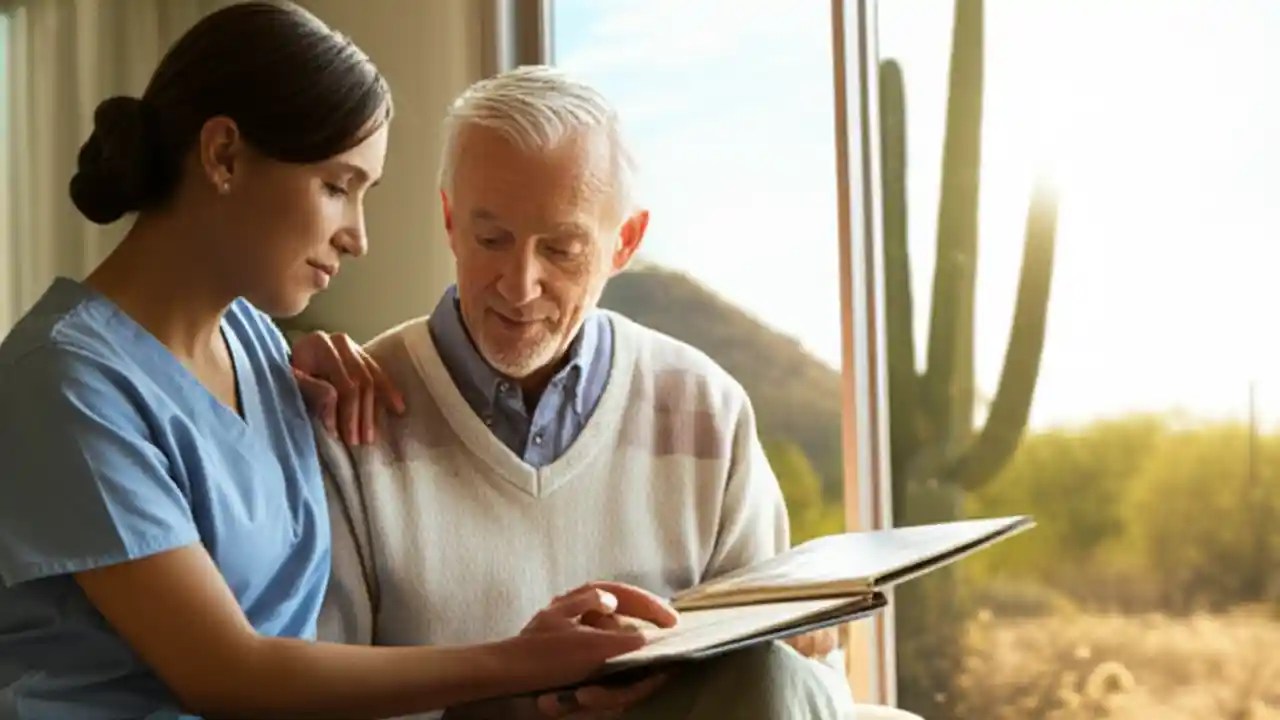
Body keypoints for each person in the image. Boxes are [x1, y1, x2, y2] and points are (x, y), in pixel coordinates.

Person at [0, 5, 670, 719]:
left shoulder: (259, 348)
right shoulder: (62, 383)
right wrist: (521, 662)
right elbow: (229, 674)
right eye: (336, 187)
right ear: (224, 156)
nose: (357, 238)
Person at [316, 65, 853, 719]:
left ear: (623, 242)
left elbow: (795, 681)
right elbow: (320, 695)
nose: (519, 285)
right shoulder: (353, 413)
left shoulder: (705, 411)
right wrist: (510, 695)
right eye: (492, 240)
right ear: (451, 222)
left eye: (562, 250)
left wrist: (804, 644)